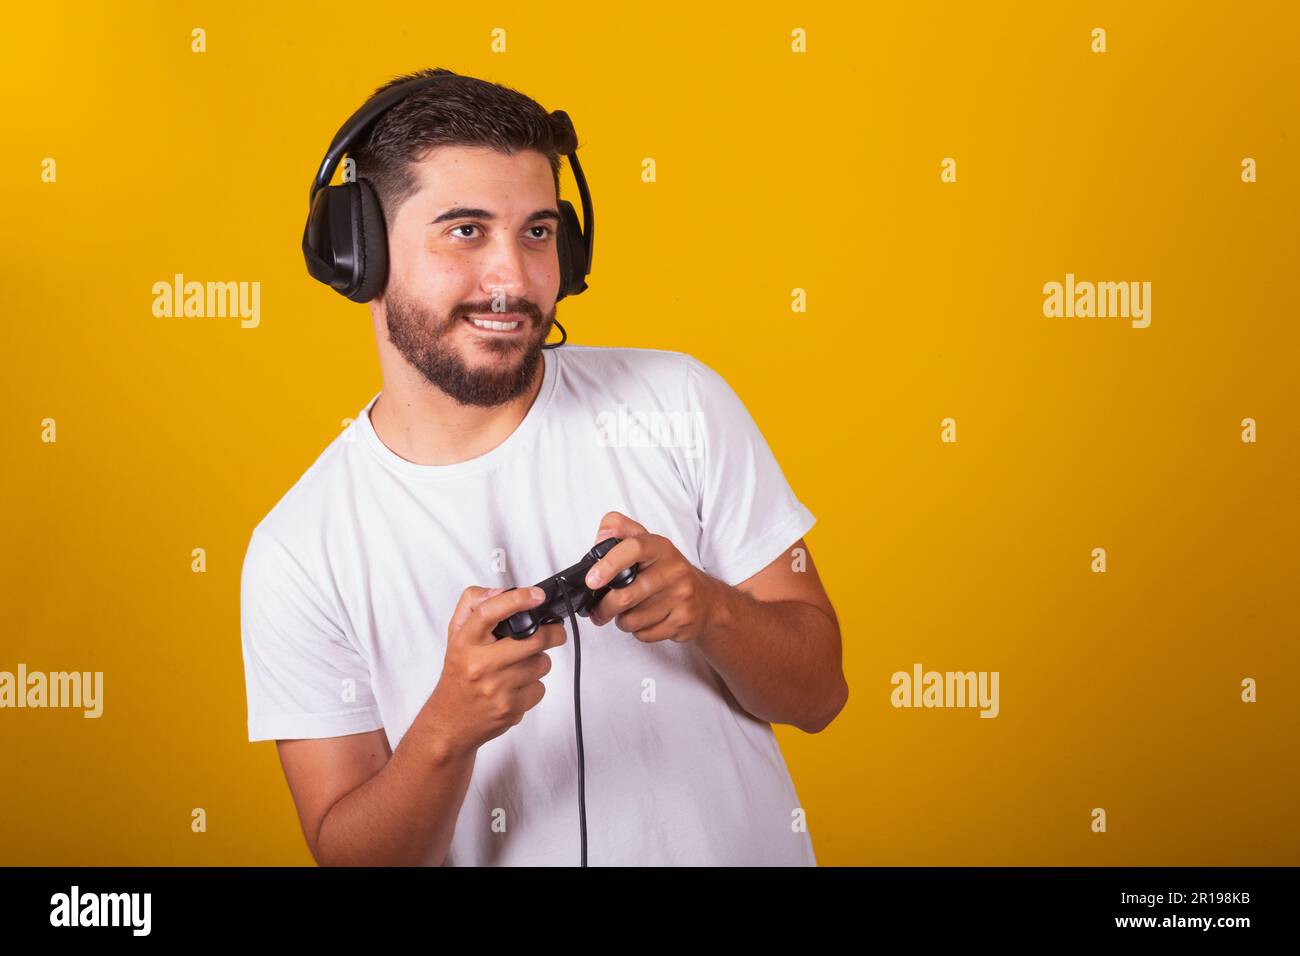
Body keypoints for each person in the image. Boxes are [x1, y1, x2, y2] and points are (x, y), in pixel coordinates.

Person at [239, 68, 848, 866]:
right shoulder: (299, 549)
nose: (514, 281)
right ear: (362, 252)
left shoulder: (681, 403)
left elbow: (820, 694)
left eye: (537, 232)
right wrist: (446, 728)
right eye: (466, 231)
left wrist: (711, 611)